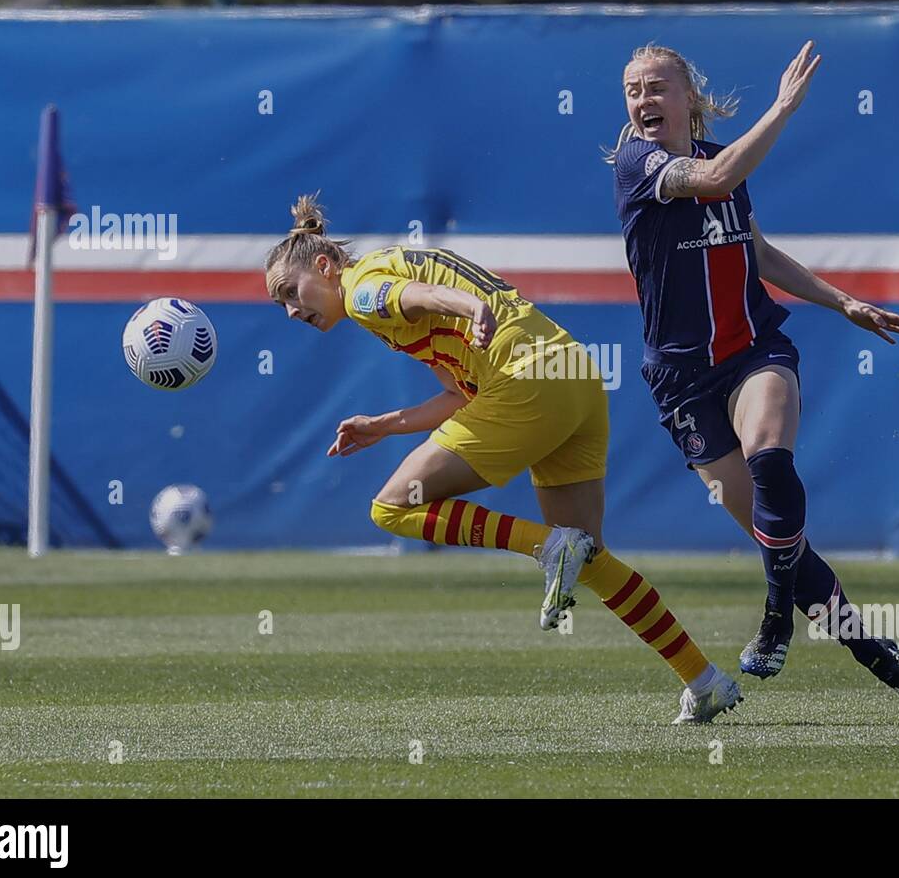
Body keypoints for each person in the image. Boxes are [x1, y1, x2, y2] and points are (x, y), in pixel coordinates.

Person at [263, 194, 743, 722]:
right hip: (572, 377)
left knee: (391, 509)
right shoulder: (385, 272)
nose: (291, 311)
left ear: (326, 267)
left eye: (291, 292)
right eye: (281, 303)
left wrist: (471, 309)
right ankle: (704, 681)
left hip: (525, 380)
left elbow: (416, 295)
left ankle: (546, 547)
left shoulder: (361, 291)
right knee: (592, 559)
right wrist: (383, 425)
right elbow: (457, 396)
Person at [609, 42, 899, 708]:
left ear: (688, 98)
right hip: (683, 382)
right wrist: (784, 107)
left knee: (771, 464)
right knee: (778, 536)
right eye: (633, 90)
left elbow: (754, 250)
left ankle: (775, 621)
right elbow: (715, 182)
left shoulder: (719, 160)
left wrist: (840, 300)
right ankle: (882, 660)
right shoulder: (638, 162)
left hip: (754, 349)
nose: (644, 100)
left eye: (657, 87)